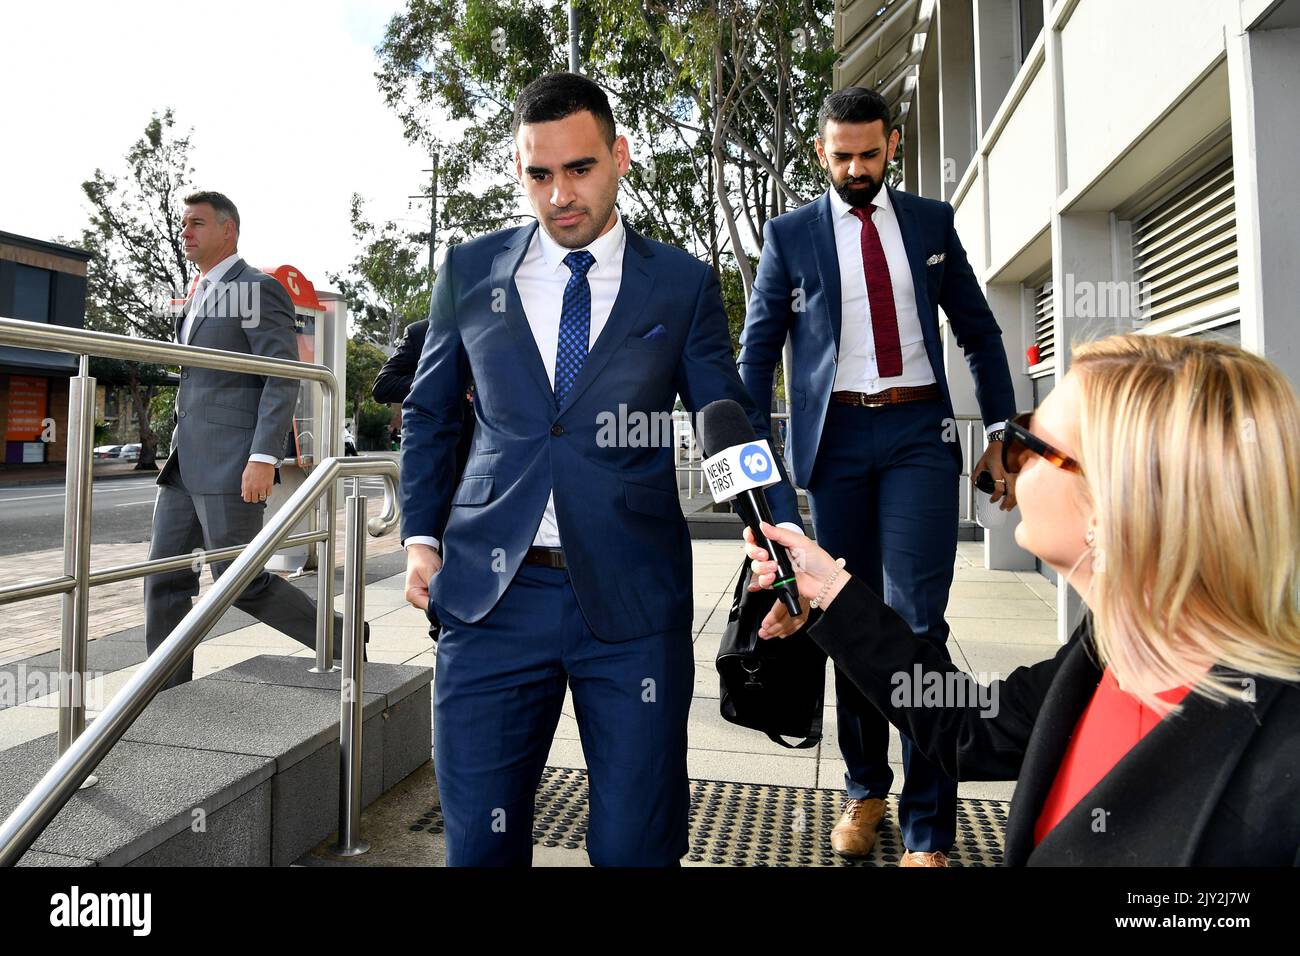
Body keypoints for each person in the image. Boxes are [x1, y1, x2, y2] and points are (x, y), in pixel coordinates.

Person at [400, 72, 803, 866]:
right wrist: (421, 536)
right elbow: (430, 412)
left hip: (632, 607)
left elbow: (727, 423)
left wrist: (777, 531)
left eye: (579, 169)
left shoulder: (681, 285)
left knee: (636, 847)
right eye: (538, 174)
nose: (559, 195)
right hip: (489, 602)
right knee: (479, 849)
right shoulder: (470, 271)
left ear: (619, 156)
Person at [743, 333, 1300, 865]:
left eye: (1029, 444)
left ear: (1116, 502)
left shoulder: (1280, 763)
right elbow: (967, 728)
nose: (1005, 466)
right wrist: (827, 588)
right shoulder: (1109, 654)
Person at [738, 86, 1018, 865]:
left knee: (918, 624)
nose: (855, 169)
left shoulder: (930, 222)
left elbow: (978, 330)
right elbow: (757, 354)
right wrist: (755, 462)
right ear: (821, 153)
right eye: (840, 156)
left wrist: (1002, 430)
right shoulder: (790, 235)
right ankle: (866, 790)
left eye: (868, 153)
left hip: (917, 432)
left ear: (892, 145)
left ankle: (930, 828)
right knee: (844, 614)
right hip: (834, 443)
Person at [145, 191, 364, 689]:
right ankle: (163, 690)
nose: (186, 232)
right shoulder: (199, 290)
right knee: (164, 576)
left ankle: (343, 639)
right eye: (184, 225)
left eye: (197, 223)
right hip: (184, 462)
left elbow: (282, 376)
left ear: (228, 230)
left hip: (232, 460)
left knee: (237, 580)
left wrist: (264, 456)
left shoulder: (258, 288)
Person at [372, 318, 476, 640]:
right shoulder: (421, 332)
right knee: (440, 560)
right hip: (444, 464)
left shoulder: (501, 320)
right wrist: (444, 381)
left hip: (493, 462)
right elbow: (383, 386)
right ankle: (442, 630)